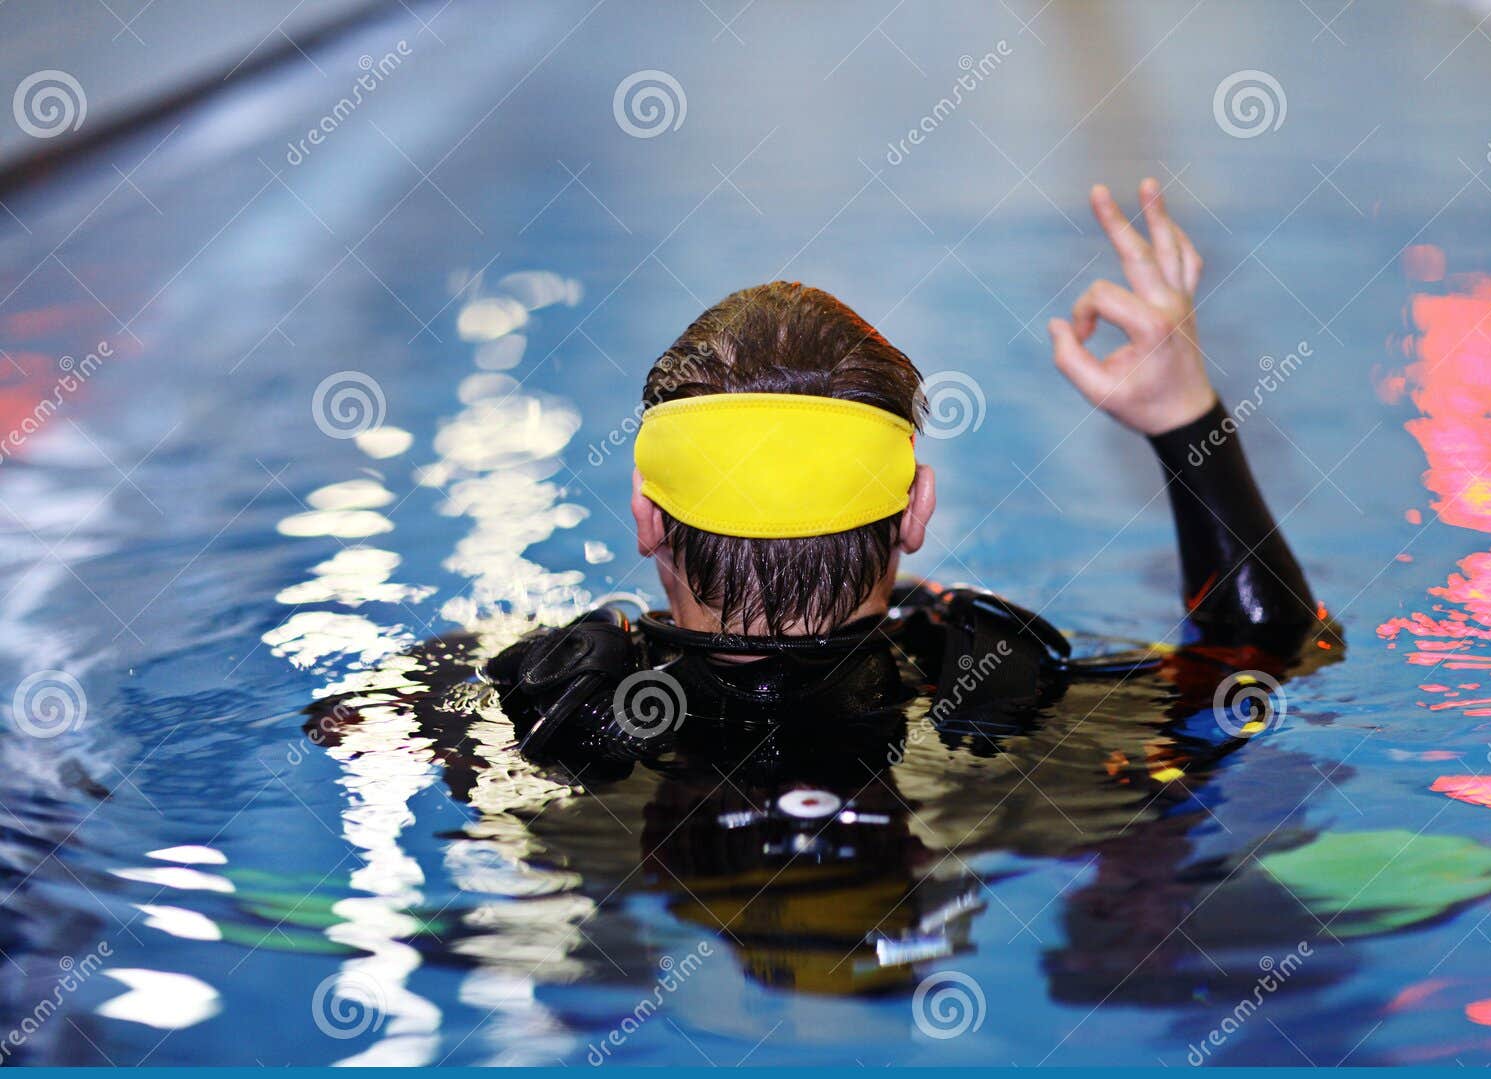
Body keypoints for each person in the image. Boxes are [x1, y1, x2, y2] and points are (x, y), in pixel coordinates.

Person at [307, 180, 1342, 996]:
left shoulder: (480, 703)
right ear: (915, 510)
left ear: (645, 516)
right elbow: (1273, 654)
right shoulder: (1053, 719)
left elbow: (332, 747)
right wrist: (1184, 420)